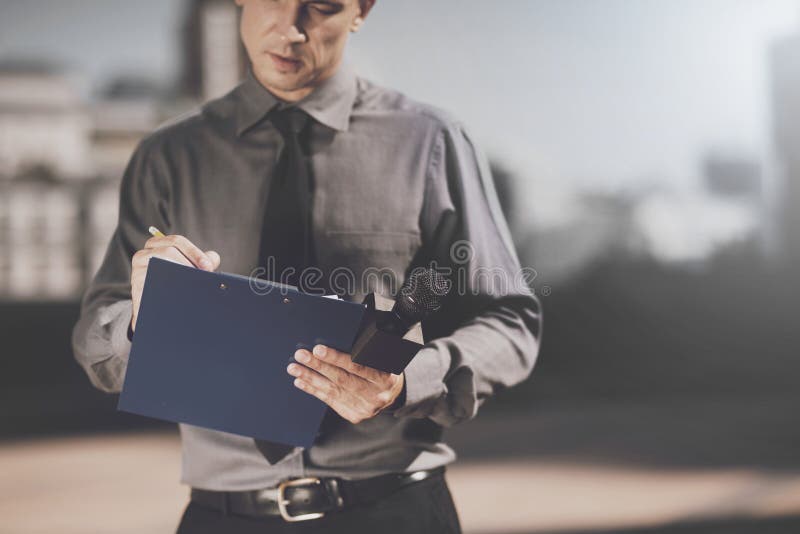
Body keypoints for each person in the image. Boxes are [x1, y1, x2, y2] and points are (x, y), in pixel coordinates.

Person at [71, 0, 542, 532]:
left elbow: (511, 322)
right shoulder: (166, 158)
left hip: (393, 509)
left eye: (319, 7)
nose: (290, 30)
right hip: (223, 515)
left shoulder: (431, 142)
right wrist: (140, 316)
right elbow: (96, 348)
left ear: (361, 10)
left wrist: (409, 381)